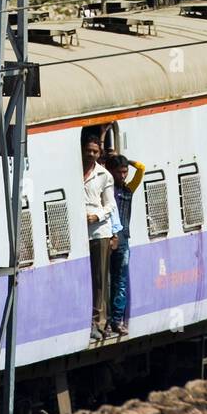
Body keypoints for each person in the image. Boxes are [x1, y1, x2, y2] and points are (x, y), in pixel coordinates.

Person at [82, 130, 118, 341]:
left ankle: (99, 322)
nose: (92, 155)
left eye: (95, 152)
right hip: (80, 234)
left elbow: (110, 205)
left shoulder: (105, 175)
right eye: (88, 151)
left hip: (98, 231)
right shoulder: (73, 171)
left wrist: (97, 216)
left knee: (99, 278)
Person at [105, 152, 145, 335]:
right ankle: (105, 320)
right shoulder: (106, 190)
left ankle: (117, 319)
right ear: (110, 171)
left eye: (125, 171)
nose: (123, 175)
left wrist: (126, 159)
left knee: (120, 281)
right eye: (119, 172)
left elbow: (141, 168)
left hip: (123, 240)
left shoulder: (129, 189)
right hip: (108, 238)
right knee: (106, 280)